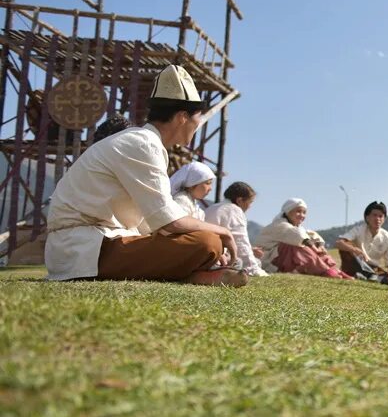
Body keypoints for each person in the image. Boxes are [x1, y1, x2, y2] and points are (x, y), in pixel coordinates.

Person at [44, 64, 246, 287]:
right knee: (208, 242)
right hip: (84, 246)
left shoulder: (145, 143)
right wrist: (224, 231)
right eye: (197, 117)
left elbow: (154, 222)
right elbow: (171, 222)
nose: (198, 124)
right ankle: (191, 273)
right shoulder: (142, 144)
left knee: (202, 243)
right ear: (182, 117)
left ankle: (193, 275)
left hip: (97, 242)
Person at [256, 198, 351, 279]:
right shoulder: (279, 225)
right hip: (270, 261)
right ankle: (326, 271)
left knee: (308, 245)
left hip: (285, 260)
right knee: (296, 246)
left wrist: (319, 246)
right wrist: (314, 248)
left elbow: (310, 235)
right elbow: (297, 236)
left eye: (304, 212)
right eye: (298, 211)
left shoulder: (297, 228)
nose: (302, 215)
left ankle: (336, 271)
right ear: (288, 211)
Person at [205, 181, 269, 277]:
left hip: (204, 253)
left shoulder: (213, 207)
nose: (250, 206)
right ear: (239, 200)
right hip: (215, 256)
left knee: (255, 261)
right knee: (243, 263)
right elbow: (241, 243)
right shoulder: (235, 210)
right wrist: (254, 269)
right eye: (250, 202)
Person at [335, 201, 388, 283]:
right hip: (356, 264)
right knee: (345, 247)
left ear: (384, 219)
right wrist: (354, 250)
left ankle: (369, 277)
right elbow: (338, 243)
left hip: (373, 269)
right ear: (367, 217)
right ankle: (370, 277)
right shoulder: (358, 230)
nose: (377, 219)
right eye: (374, 215)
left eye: (381, 216)